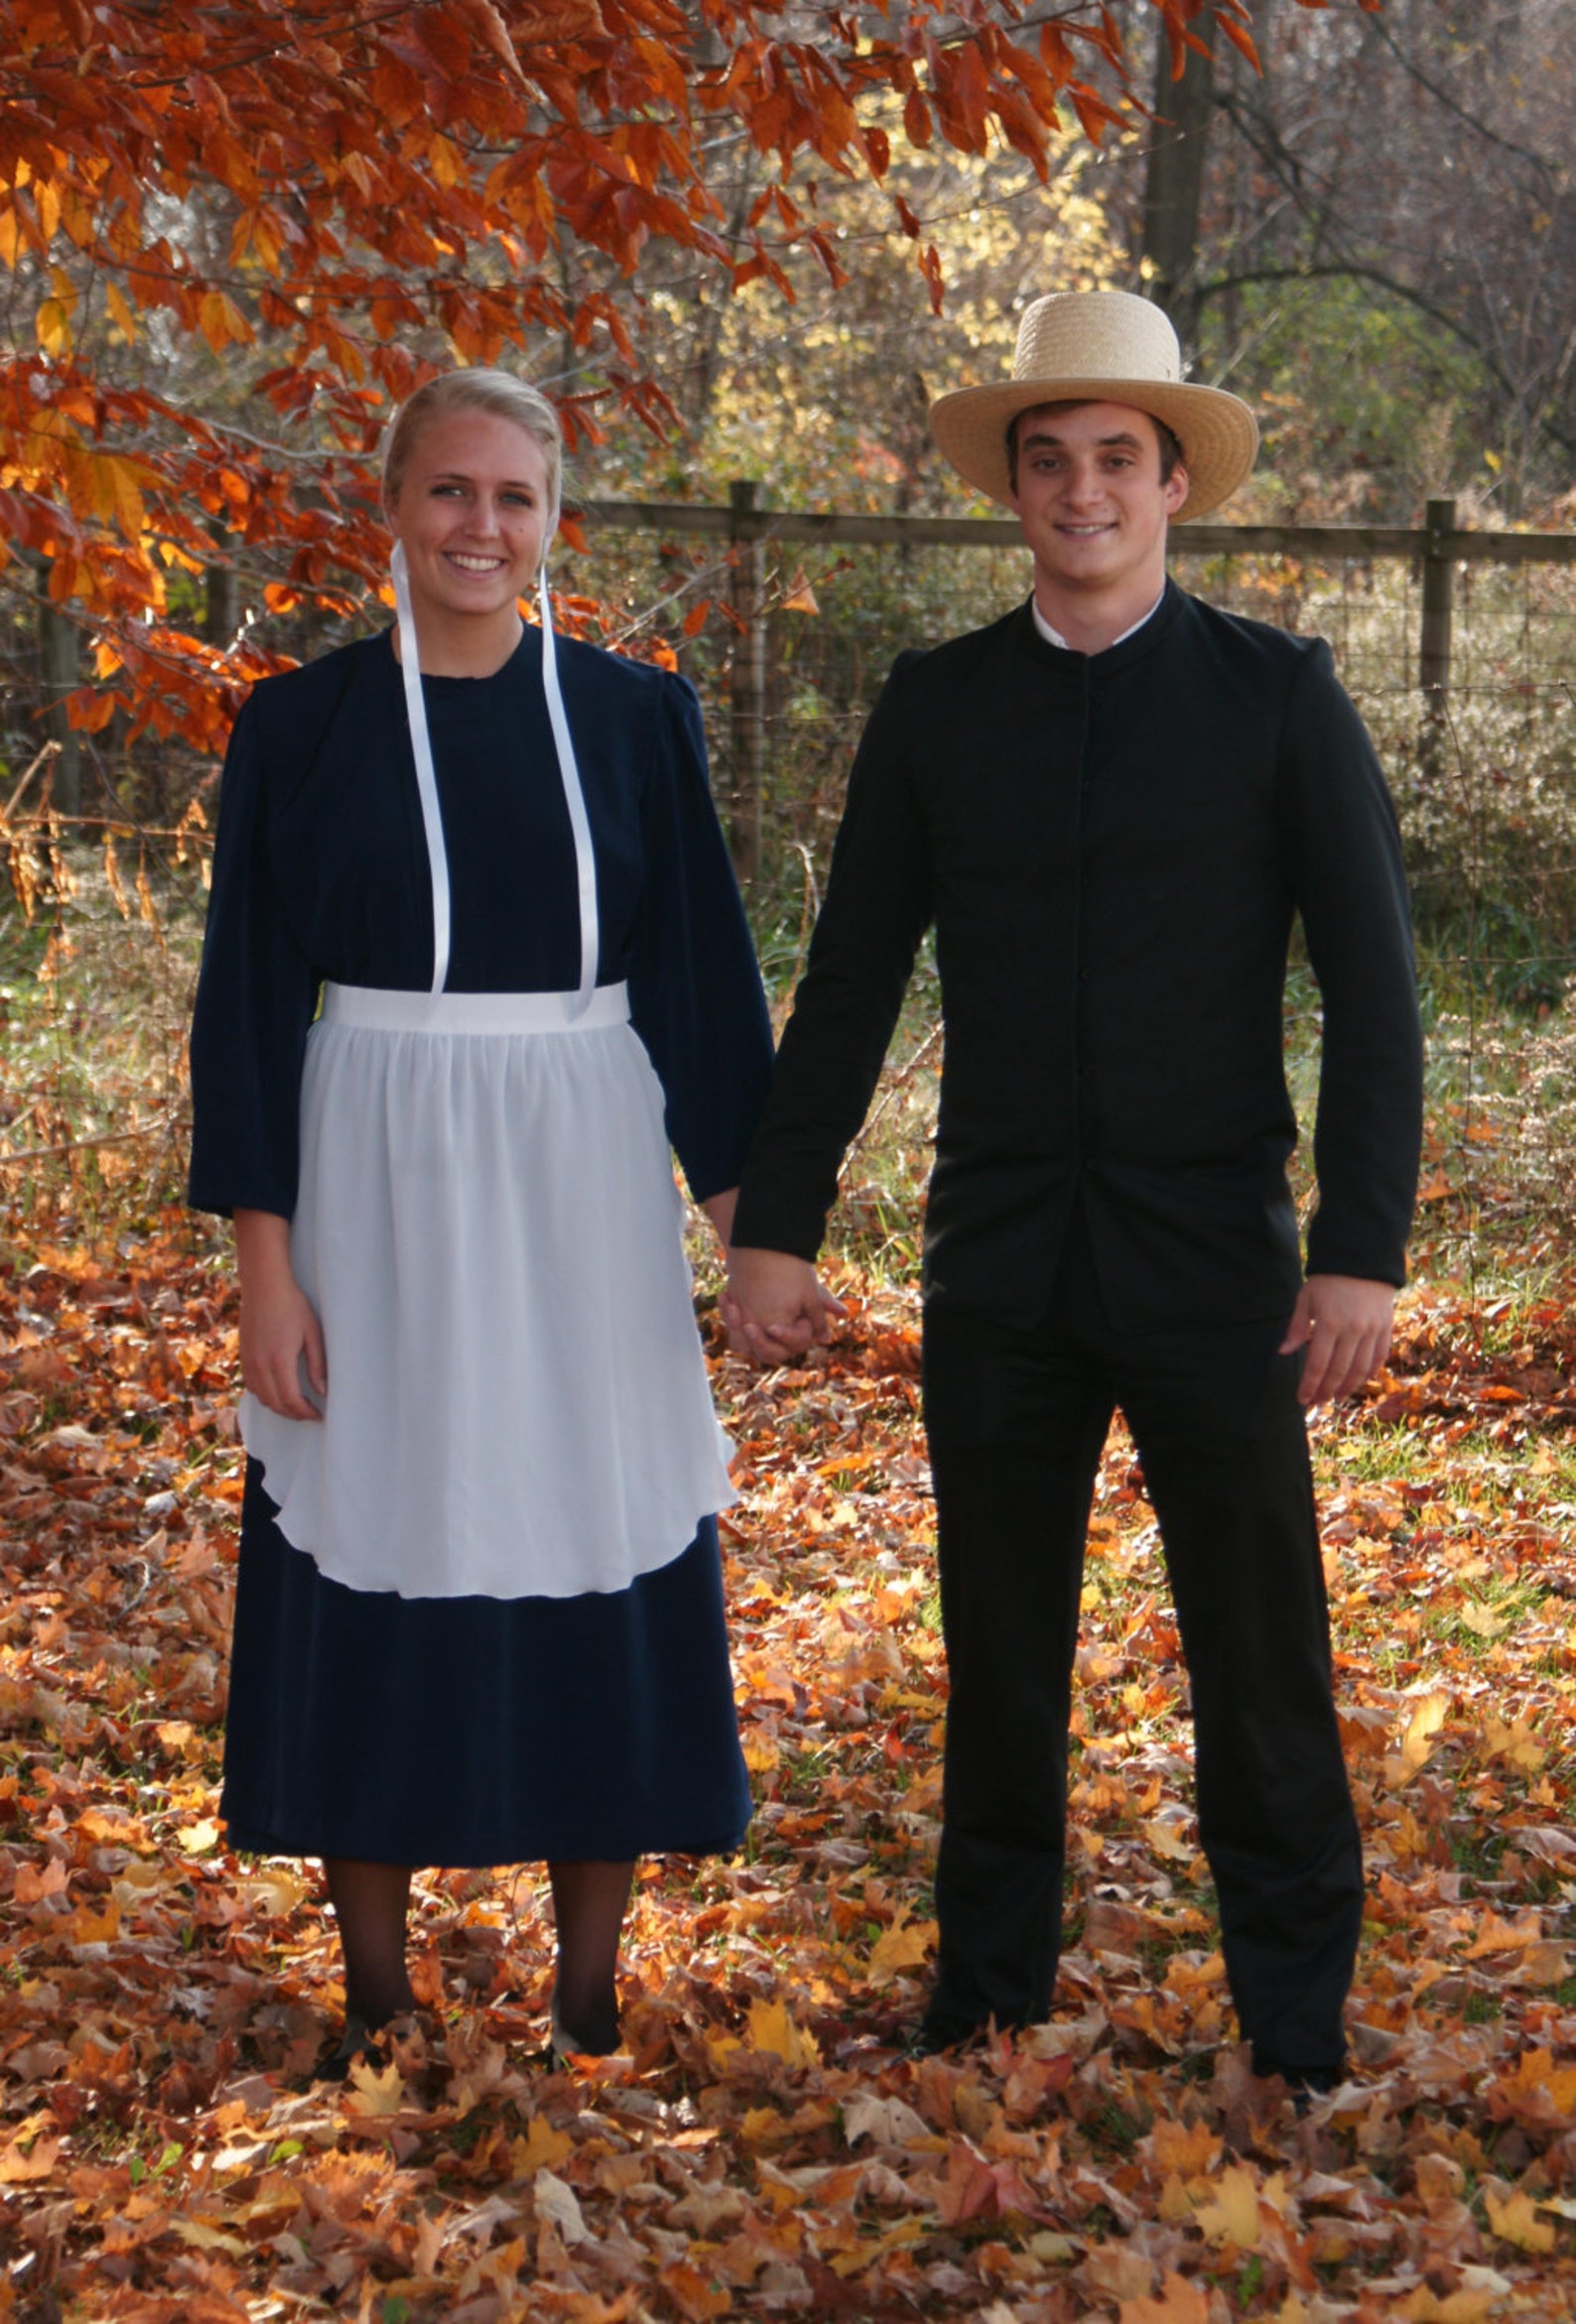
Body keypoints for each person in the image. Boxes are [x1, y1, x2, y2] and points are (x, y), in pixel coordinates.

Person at [723, 291, 1423, 2090]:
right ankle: (988, 1996)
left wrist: (1361, 1254)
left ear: (1175, 481)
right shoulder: (941, 708)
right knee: (1002, 1645)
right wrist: (776, 1222)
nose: (1085, 489)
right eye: (1052, 461)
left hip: (1221, 1268)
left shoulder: (1278, 697)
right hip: (1006, 1262)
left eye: (1120, 457)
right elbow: (857, 974)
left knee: (1262, 1651)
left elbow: (1375, 987)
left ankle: (1294, 2016)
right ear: (1015, 490)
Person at [189, 368, 773, 2070]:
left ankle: (586, 1986)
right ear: (392, 504)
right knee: (374, 1523)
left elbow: (700, 992)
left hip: (579, 1179)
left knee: (598, 1530)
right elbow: (241, 1012)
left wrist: (751, 1226)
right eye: (450, 491)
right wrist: (265, 1266)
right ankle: (378, 1989)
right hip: (371, 1167)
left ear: (553, 518)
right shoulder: (299, 727)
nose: (480, 527)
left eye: (513, 497)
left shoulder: (634, 716)